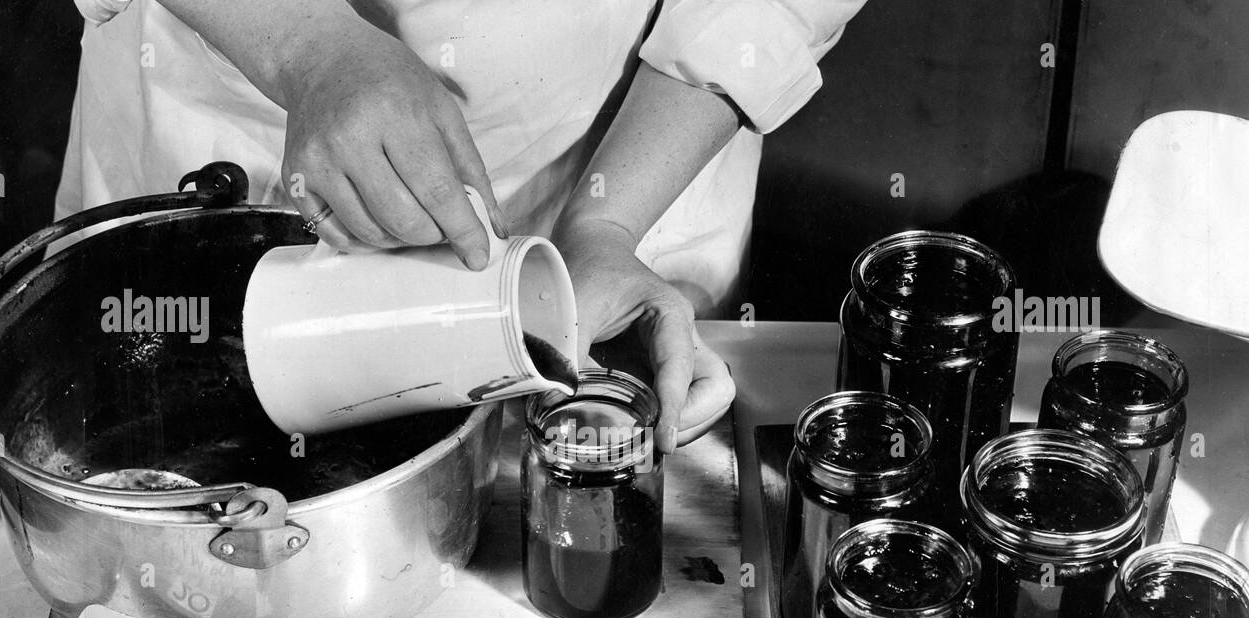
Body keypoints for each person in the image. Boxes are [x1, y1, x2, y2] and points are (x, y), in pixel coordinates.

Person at [61, 0, 866, 451]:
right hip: (231, 95)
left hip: (630, 146)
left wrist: (609, 224)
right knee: (159, 433)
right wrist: (307, 49)